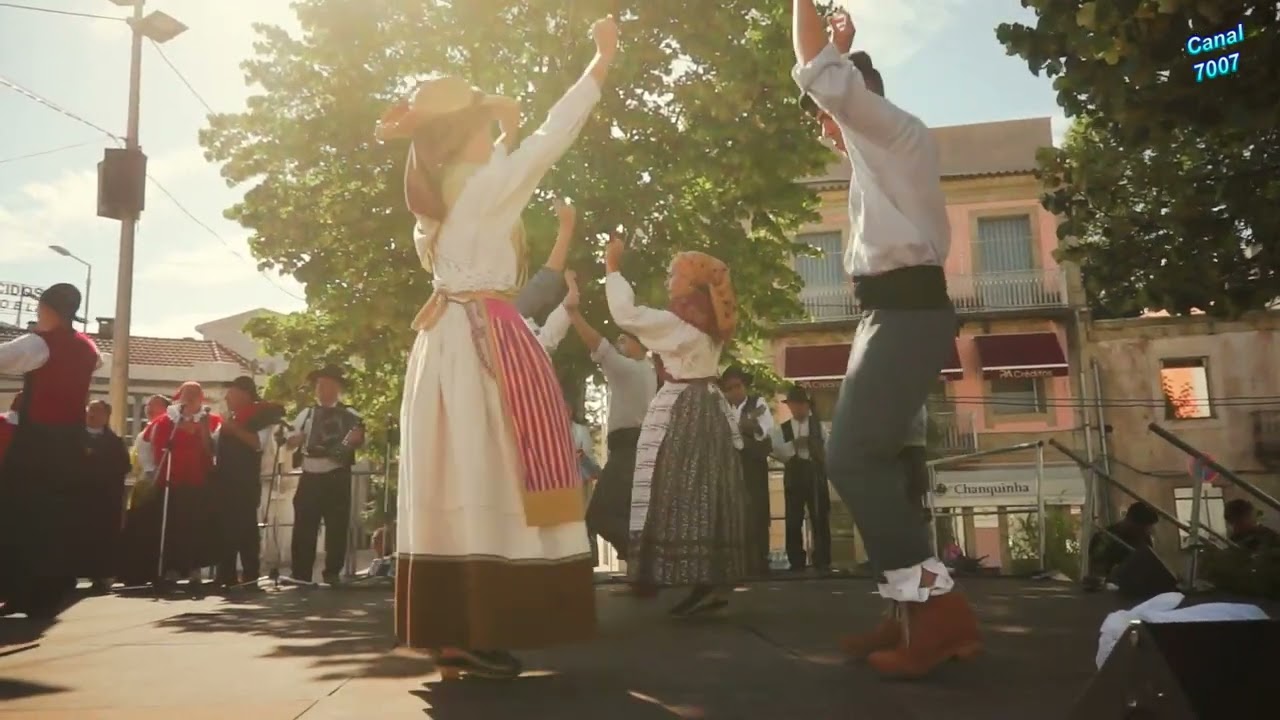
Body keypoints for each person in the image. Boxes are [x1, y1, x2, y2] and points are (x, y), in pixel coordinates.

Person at [376, 15, 619, 680]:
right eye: (483, 125)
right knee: (492, 472)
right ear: (465, 136)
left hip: (444, 342)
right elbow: (551, 138)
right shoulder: (483, 188)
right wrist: (599, 62)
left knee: (451, 477)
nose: (493, 132)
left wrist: (501, 129)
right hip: (481, 340)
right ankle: (479, 626)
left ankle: (450, 629)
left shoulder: (439, 198)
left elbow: (503, 169)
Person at [791, 3, 980, 679]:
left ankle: (939, 614)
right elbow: (834, 80)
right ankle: (908, 611)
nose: (826, 128)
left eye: (831, 116)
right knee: (876, 463)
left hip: (906, 312)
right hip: (890, 314)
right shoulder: (884, 153)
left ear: (860, 98)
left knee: (851, 459)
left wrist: (819, 36)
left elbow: (819, 72)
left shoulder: (895, 133)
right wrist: (843, 52)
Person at [606, 236, 755, 616]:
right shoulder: (709, 322)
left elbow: (627, 315)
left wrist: (612, 268)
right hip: (709, 406)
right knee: (708, 489)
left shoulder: (679, 324)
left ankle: (686, 574)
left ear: (691, 283)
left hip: (686, 407)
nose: (668, 280)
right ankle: (712, 581)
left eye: (673, 275)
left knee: (677, 488)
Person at [0, 283, 100, 618]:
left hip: (37, 443)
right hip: (70, 443)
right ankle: (44, 597)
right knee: (56, 522)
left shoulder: (38, 343)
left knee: (20, 515)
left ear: (47, 309)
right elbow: (97, 364)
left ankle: (18, 591)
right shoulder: (89, 347)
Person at [562, 272, 658, 570]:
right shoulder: (647, 370)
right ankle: (640, 565)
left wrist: (573, 313)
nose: (619, 344)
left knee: (600, 515)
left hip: (628, 448)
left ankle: (641, 558)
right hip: (634, 447)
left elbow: (597, 344)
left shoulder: (630, 370)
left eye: (624, 340)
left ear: (638, 344)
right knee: (626, 513)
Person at [118, 382, 221, 589]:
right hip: (170, 482)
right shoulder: (165, 421)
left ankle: (194, 569)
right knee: (171, 528)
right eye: (186, 394)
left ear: (201, 397)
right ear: (179, 397)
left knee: (196, 527)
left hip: (199, 483)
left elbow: (215, 448)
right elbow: (144, 444)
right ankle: (170, 569)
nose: (190, 398)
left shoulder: (212, 420)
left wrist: (201, 429)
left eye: (194, 394)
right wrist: (151, 470)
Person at [284, 365, 364, 586]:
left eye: (326, 385)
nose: (321, 389)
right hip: (309, 475)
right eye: (319, 385)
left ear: (337, 388)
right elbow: (290, 442)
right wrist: (296, 440)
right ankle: (301, 574)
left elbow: (356, 438)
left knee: (336, 526)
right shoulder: (306, 414)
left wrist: (344, 445)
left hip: (336, 476)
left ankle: (332, 573)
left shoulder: (351, 414)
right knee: (304, 526)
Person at [212, 376, 283, 590]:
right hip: (224, 481)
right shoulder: (230, 418)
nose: (227, 398)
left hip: (245, 482)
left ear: (244, 394)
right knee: (225, 528)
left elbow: (259, 443)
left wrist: (234, 430)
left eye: (231, 393)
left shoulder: (260, 416)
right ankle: (226, 574)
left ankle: (251, 575)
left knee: (246, 530)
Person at [719, 364, 775, 573]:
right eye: (729, 388)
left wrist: (749, 425)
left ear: (744, 386)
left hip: (753, 464)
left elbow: (766, 430)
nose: (734, 391)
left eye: (738, 386)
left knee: (757, 510)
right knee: (734, 511)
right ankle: (736, 560)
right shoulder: (722, 408)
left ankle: (759, 560)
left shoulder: (757, 403)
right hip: (731, 465)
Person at [773, 386, 832, 573]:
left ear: (807, 406)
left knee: (819, 516)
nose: (797, 408)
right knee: (793, 518)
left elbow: (828, 449)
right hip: (794, 472)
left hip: (815, 472)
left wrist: (813, 447)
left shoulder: (817, 426)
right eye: (794, 405)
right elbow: (777, 450)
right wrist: (793, 447)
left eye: (801, 404)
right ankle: (796, 560)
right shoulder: (783, 428)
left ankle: (822, 558)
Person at [83, 400, 132, 594]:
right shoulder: (75, 437)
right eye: (90, 409)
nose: (92, 414)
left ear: (106, 416)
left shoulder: (114, 442)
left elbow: (124, 466)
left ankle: (101, 577)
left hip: (104, 499)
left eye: (97, 410)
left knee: (102, 539)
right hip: (79, 497)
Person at [1086, 501, 1159, 585]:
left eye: (1147, 529)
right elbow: (1097, 574)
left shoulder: (1144, 538)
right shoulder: (1105, 538)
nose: (1146, 532)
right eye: (1141, 529)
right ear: (1129, 520)